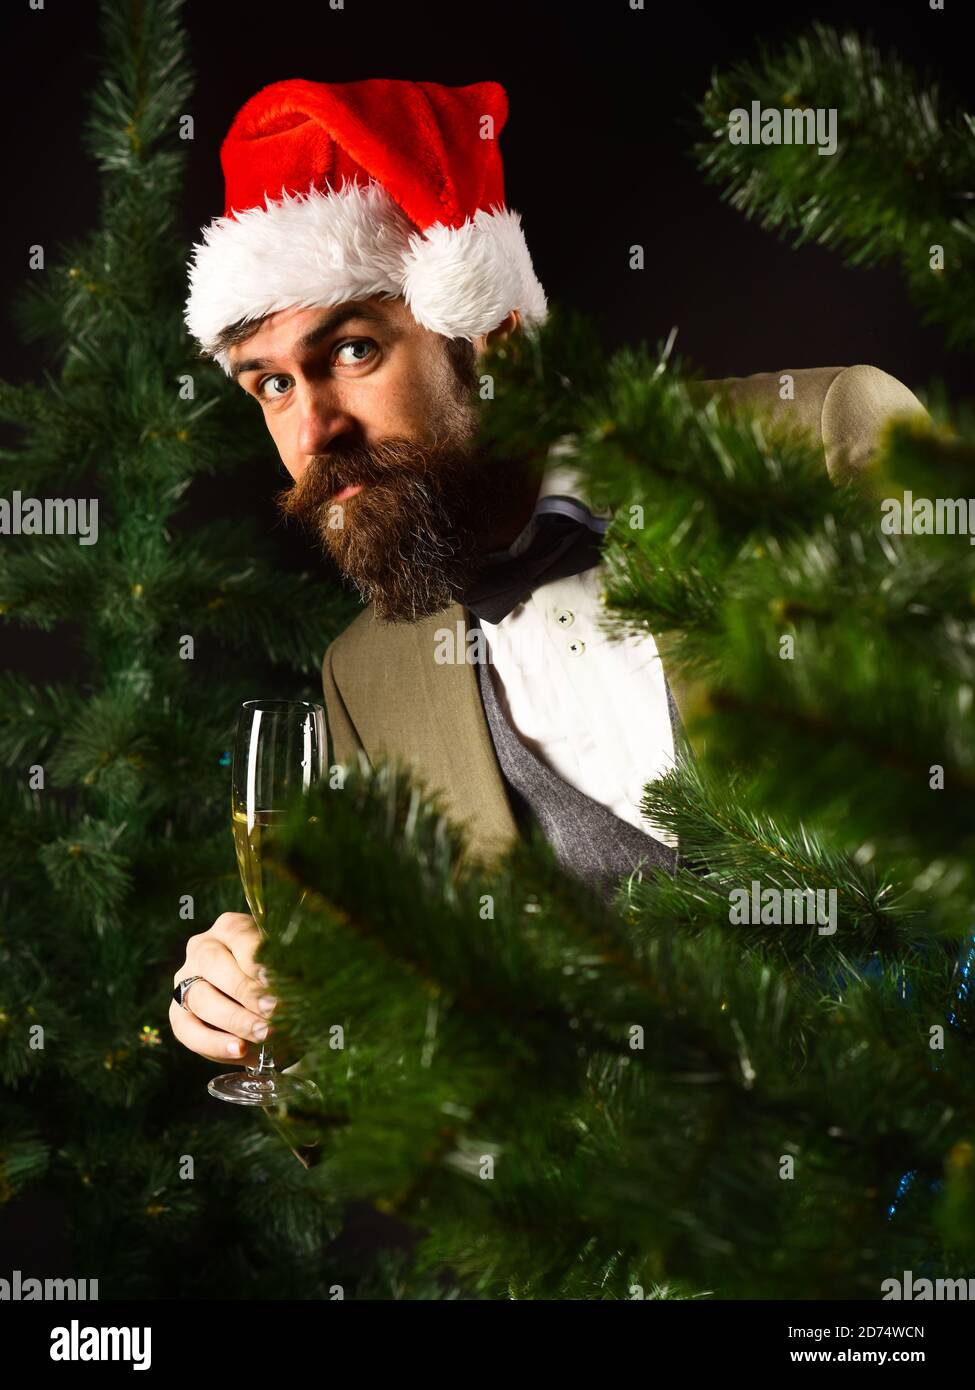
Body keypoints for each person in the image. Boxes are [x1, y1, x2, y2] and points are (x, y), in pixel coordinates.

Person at [169, 75, 927, 1080]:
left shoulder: (818, 443)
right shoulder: (367, 680)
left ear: (494, 336)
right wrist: (287, 1010)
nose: (313, 434)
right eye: (270, 384)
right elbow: (437, 1086)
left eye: (351, 350)